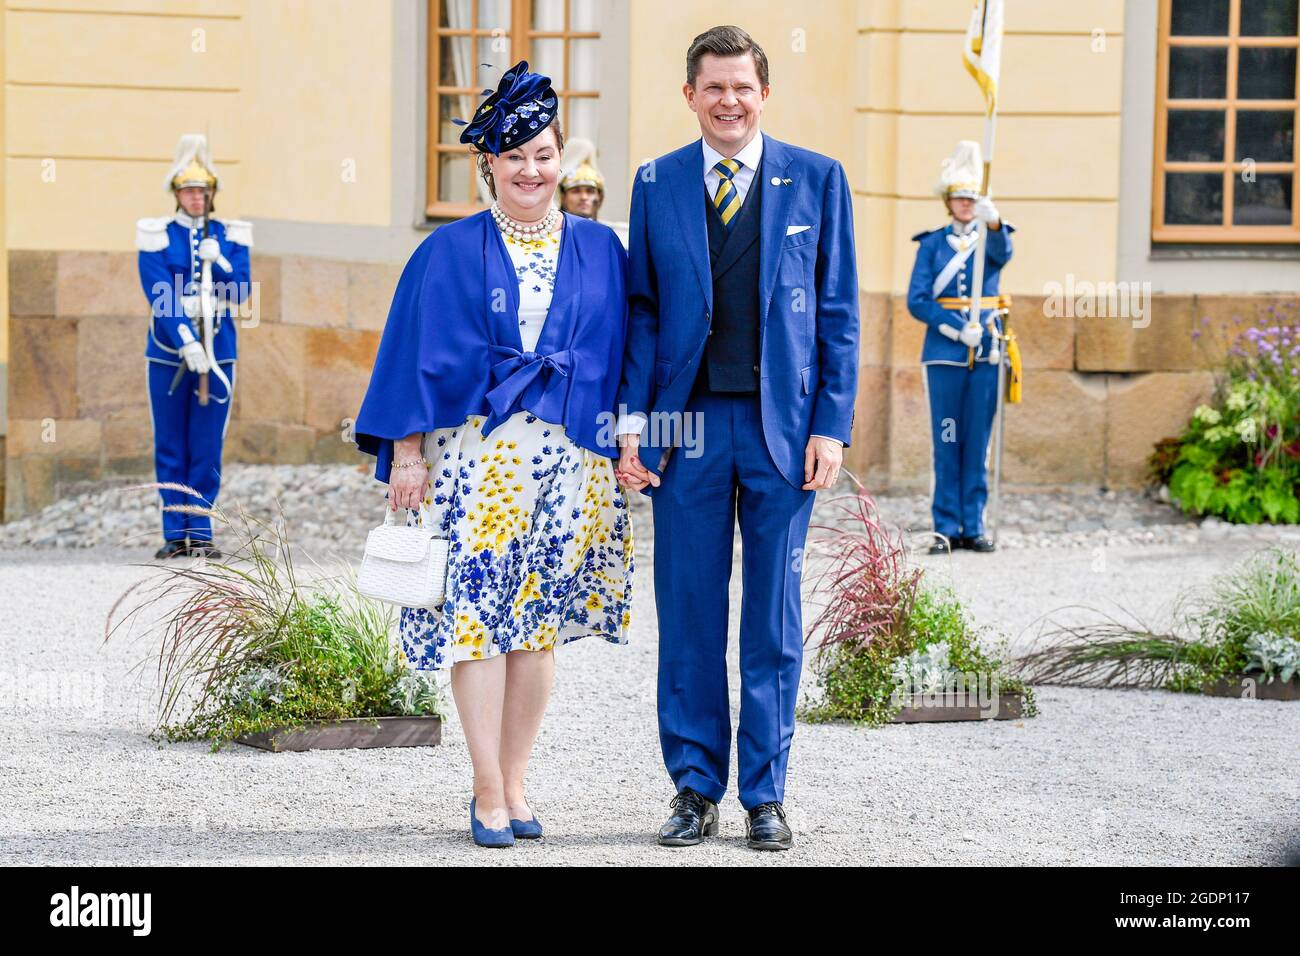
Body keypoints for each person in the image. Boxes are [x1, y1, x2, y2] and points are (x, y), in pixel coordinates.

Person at [353, 61, 633, 849]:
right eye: (515, 157)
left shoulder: (601, 249)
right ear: (489, 167)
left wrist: (632, 441)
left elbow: (625, 352)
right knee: (475, 621)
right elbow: (409, 351)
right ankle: (483, 787)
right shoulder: (447, 252)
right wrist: (405, 452)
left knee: (535, 626)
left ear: (561, 162)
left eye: (544, 155)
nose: (532, 171)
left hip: (566, 463)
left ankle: (517, 779)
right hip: (474, 464)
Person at [615, 25, 859, 851]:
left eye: (742, 87)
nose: (728, 101)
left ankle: (766, 792)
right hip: (685, 425)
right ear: (690, 95)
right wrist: (633, 424)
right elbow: (641, 313)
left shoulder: (819, 181)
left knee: (772, 616)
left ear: (764, 94)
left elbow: (838, 313)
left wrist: (831, 423)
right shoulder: (657, 182)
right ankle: (692, 786)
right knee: (687, 609)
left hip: (781, 429)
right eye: (712, 88)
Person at [136, 133, 251, 560]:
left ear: (212, 194)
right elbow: (159, 291)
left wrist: (218, 259)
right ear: (177, 195)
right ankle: (174, 533)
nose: (196, 198)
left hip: (218, 351)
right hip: (168, 352)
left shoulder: (230, 235)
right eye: (188, 190)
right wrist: (186, 341)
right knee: (170, 444)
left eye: (202, 191)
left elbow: (239, 292)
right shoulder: (156, 236)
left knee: (206, 446)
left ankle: (200, 534)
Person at [907, 140, 1014, 555]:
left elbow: (1003, 256)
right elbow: (917, 300)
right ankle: (945, 526)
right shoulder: (931, 245)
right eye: (959, 198)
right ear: (948, 201)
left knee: (978, 440)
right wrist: (954, 329)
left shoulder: (992, 237)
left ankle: (974, 525)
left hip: (987, 351)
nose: (965, 204)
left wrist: (996, 223)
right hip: (945, 352)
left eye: (972, 198)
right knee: (947, 439)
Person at [558, 138, 605, 220]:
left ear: (599, 196)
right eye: (576, 191)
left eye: (590, 191)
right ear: (563, 196)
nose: (584, 197)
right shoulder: (553, 232)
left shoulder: (611, 232)